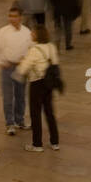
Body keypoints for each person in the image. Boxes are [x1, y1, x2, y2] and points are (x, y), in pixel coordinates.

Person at [14, 24, 59, 152]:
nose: (31, 34)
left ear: (37, 35)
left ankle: (37, 144)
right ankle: (55, 142)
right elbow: (55, 63)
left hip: (37, 84)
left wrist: (20, 66)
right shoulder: (52, 47)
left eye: (32, 33)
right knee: (49, 112)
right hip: (49, 83)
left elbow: (23, 68)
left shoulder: (34, 50)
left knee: (35, 113)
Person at [0, 7, 30, 136]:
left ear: (20, 17)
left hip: (21, 68)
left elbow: (31, 49)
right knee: (8, 97)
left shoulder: (26, 32)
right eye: (10, 16)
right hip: (7, 68)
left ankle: (20, 120)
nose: (12, 19)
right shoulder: (3, 32)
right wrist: (1, 62)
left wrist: (25, 59)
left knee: (20, 96)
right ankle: (9, 123)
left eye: (14, 16)